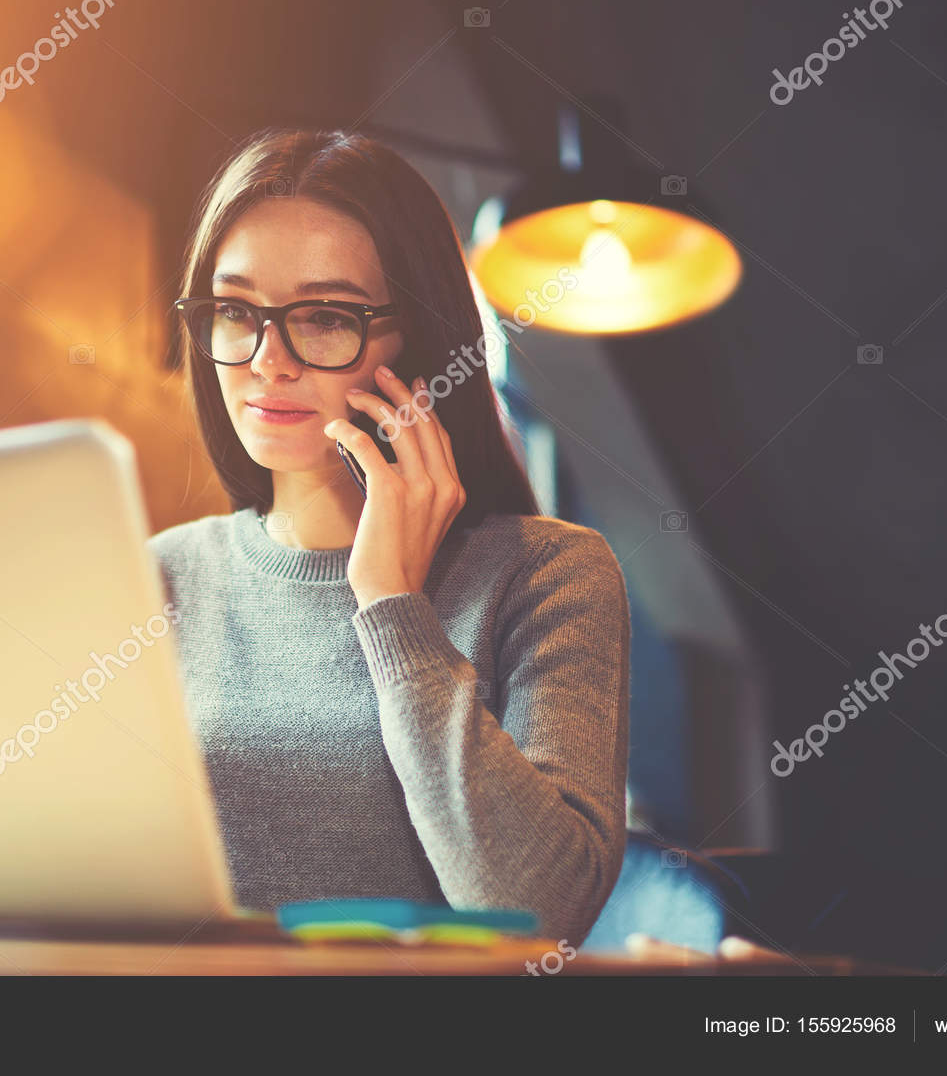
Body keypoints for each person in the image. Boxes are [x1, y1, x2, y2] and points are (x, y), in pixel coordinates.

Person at [148, 127, 631, 946]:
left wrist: (393, 606)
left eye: (325, 317)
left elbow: (539, 912)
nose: (268, 360)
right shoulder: (160, 576)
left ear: (417, 342)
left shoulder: (549, 573)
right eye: (236, 312)